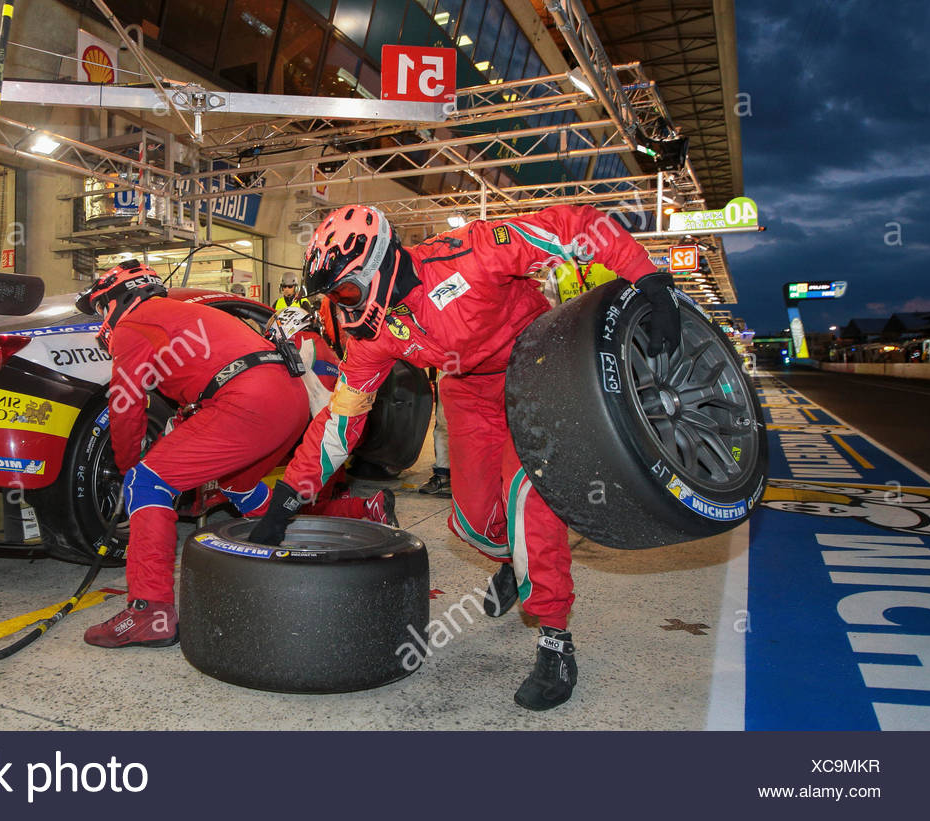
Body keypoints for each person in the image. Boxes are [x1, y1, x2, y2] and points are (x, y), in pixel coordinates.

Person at [249, 204, 680, 710]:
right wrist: (286, 502)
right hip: (469, 395)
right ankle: (510, 562)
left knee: (529, 503)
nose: (343, 308)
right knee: (473, 523)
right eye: (334, 296)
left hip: (536, 369)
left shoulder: (472, 252)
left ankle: (555, 640)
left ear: (379, 265)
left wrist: (650, 281)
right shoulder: (371, 337)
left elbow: (578, 225)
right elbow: (340, 423)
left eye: (346, 292)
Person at [77, 260, 395, 649]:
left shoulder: (133, 325)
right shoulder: (186, 312)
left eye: (99, 307)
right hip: (286, 398)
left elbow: (125, 407)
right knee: (239, 488)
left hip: (247, 399)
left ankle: (150, 612)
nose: (100, 319)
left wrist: (130, 470)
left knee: (147, 482)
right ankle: (361, 512)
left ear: (116, 297)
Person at [419, 369, 452, 497]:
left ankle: (474, 479)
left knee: (476, 426)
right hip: (451, 364)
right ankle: (443, 475)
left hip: (480, 366)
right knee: (443, 421)